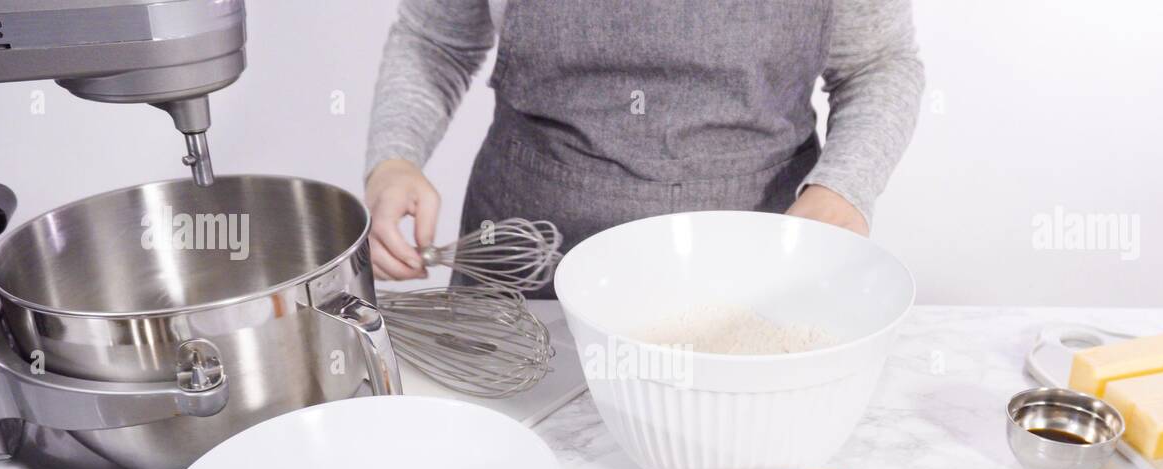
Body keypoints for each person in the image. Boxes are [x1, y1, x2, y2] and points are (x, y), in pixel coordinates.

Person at [365, 0, 924, 294]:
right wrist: (395, 157)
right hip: (533, 253)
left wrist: (843, 188)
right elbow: (434, 39)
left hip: (758, 255)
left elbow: (877, 63)